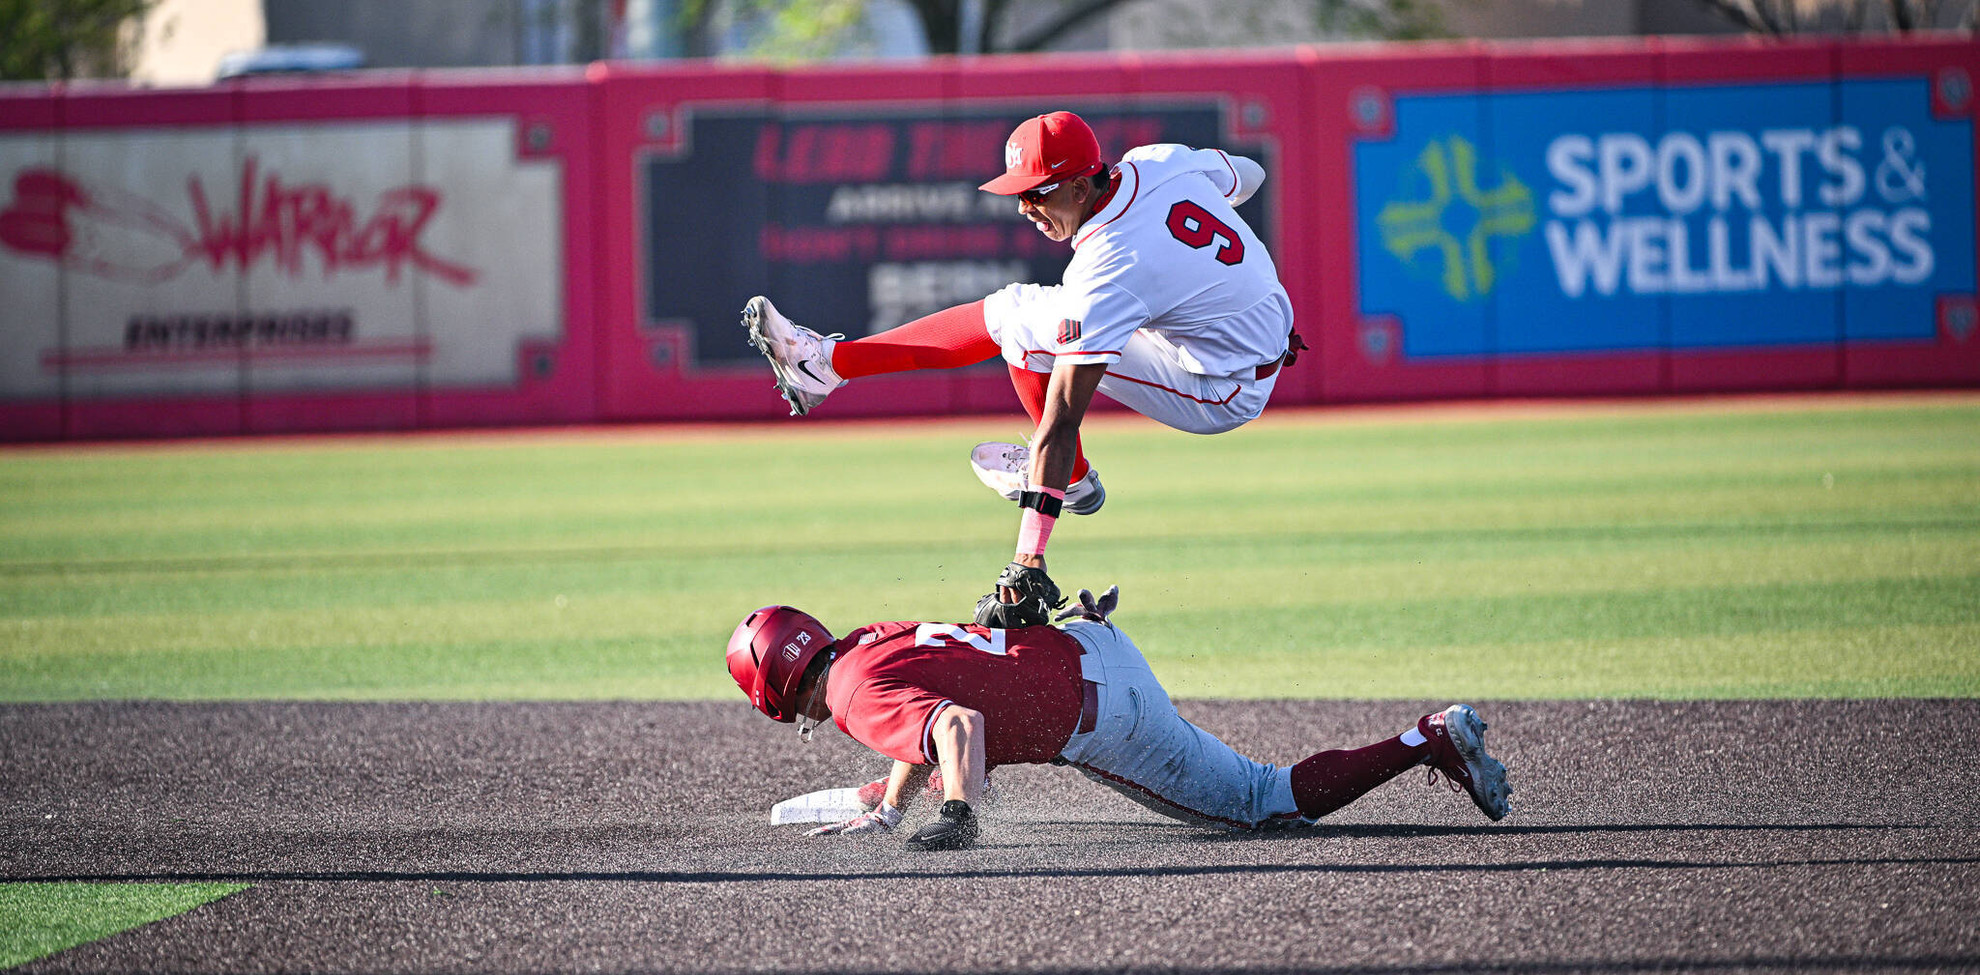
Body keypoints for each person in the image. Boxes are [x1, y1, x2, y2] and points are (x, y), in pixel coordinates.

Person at [741, 110, 1303, 607]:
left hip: (1220, 387)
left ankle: (1073, 483)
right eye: (1019, 193)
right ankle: (827, 365)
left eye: (1041, 191)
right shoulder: (1159, 162)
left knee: (1023, 328)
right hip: (1248, 337)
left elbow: (1062, 419)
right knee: (1014, 313)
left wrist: (1027, 558)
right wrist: (1234, 294)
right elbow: (1247, 177)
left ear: (1084, 185)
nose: (1026, 208)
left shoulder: (1108, 269)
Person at [724, 589, 1511, 851]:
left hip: (1106, 718)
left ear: (772, 691)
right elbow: (929, 713)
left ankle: (1426, 738)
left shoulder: (852, 697)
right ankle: (1426, 739)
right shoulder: (866, 643)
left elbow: (955, 725)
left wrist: (958, 813)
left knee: (1263, 800)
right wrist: (894, 806)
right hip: (1090, 642)